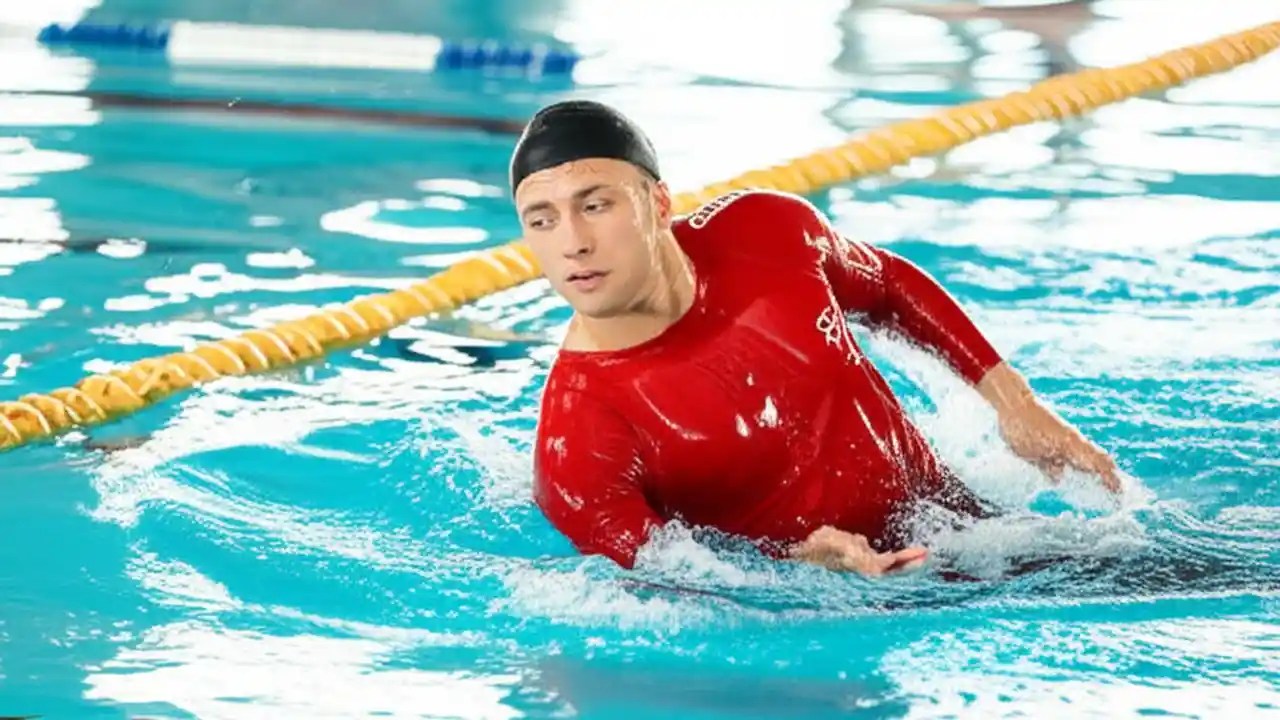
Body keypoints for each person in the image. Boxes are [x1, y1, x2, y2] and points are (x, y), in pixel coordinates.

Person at [512, 100, 1120, 577]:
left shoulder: (767, 231)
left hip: (975, 533)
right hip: (871, 608)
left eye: (595, 206)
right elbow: (669, 582)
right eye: (542, 220)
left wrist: (1016, 404)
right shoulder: (578, 444)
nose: (572, 242)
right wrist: (797, 572)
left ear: (658, 202)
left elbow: (886, 284)